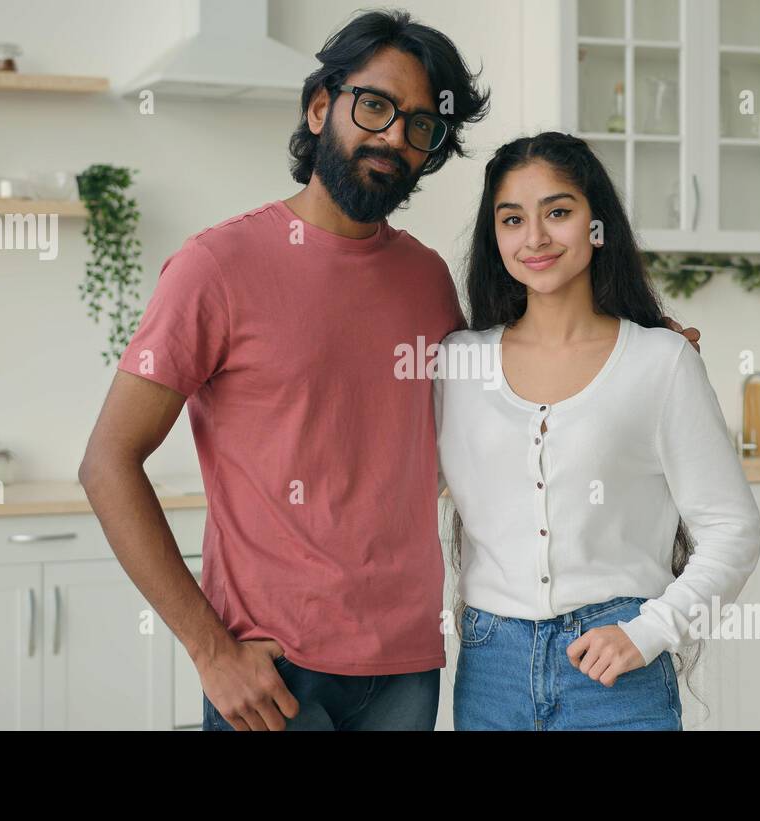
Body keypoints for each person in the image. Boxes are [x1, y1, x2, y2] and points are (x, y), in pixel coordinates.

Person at [79, 10, 698, 732]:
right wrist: (210, 650)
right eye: (374, 105)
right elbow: (107, 463)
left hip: (409, 668)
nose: (394, 137)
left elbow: (503, 407)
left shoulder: (426, 278)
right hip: (272, 668)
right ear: (320, 106)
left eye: (420, 125)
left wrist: (643, 349)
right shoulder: (215, 268)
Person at [434, 132, 760, 730]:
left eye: (558, 212)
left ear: (597, 226)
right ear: (495, 237)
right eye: (512, 219)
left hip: (617, 672)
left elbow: (732, 530)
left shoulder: (660, 362)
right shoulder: (457, 365)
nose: (534, 237)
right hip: (490, 670)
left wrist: (652, 631)